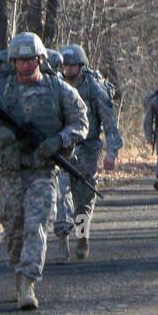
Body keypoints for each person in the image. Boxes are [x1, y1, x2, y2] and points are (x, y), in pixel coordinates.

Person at [0, 32, 88, 310]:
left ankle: (28, 281)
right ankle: (18, 269)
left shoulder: (59, 89)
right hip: (11, 171)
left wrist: (59, 140)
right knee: (12, 225)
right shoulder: (1, 90)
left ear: (40, 59)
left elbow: (81, 122)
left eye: (30, 60)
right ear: (13, 61)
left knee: (36, 225)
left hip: (42, 171)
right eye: (20, 60)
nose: (25, 65)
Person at [53, 44, 120, 259]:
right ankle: (62, 239)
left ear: (81, 66)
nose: (68, 69)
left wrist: (112, 152)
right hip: (63, 148)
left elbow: (109, 121)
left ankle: (82, 235)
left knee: (84, 199)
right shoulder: (56, 85)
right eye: (65, 65)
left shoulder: (93, 88)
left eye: (72, 65)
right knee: (61, 195)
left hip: (88, 149)